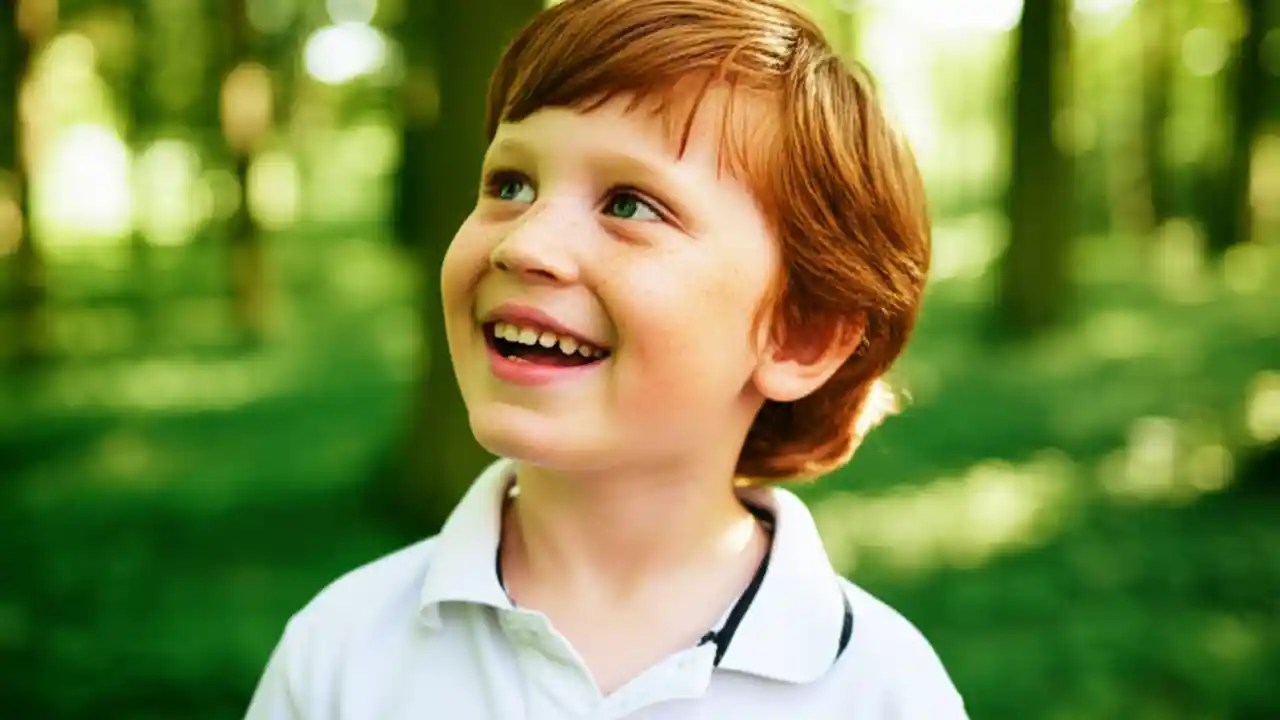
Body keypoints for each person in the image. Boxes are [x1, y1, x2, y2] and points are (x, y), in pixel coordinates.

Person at [246, 0, 965, 717]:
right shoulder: (341, 654)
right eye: (510, 184)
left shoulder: (882, 691)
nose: (523, 243)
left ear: (798, 335)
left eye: (629, 205)